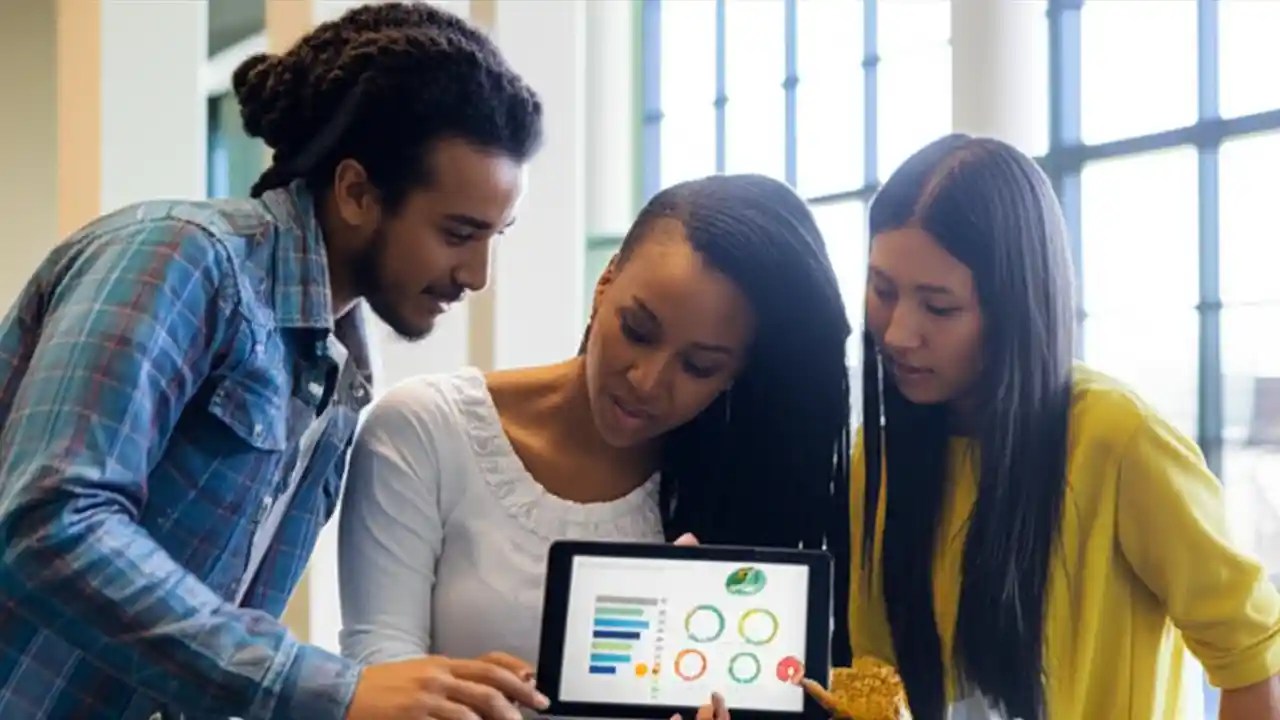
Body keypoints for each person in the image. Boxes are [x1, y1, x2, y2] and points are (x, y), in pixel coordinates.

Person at [0, 3, 548, 719]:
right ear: (355, 191)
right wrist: (328, 687)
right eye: (458, 232)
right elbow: (52, 522)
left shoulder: (342, 368)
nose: (477, 275)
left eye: (496, 236)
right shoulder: (180, 258)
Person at [336, 174, 855, 693]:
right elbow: (378, 676)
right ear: (605, 282)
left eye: (699, 366)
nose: (647, 381)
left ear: (737, 374)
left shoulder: (743, 492)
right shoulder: (423, 431)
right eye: (637, 331)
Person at [846, 134, 1280, 719]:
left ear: (1015, 306)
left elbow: (1255, 662)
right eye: (882, 290)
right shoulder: (878, 455)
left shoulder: (1117, 439)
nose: (898, 333)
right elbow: (878, 675)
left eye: (939, 306)